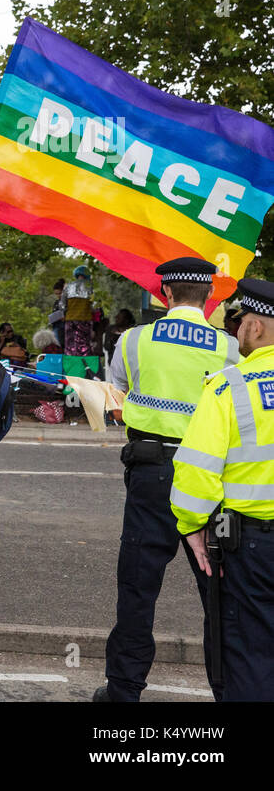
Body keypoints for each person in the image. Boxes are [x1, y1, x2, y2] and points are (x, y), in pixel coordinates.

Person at [93, 257, 239, 702]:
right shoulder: (230, 349)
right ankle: (228, 689)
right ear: (208, 298)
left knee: (138, 586)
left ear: (166, 294)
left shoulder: (134, 339)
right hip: (211, 480)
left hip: (151, 474)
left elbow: (113, 395)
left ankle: (123, 691)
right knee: (216, 589)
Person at [170, 277, 274, 700]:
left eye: (242, 320)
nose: (238, 330)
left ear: (257, 327)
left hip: (252, 546)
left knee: (247, 653)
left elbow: (196, 472)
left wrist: (192, 527)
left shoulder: (230, 387)